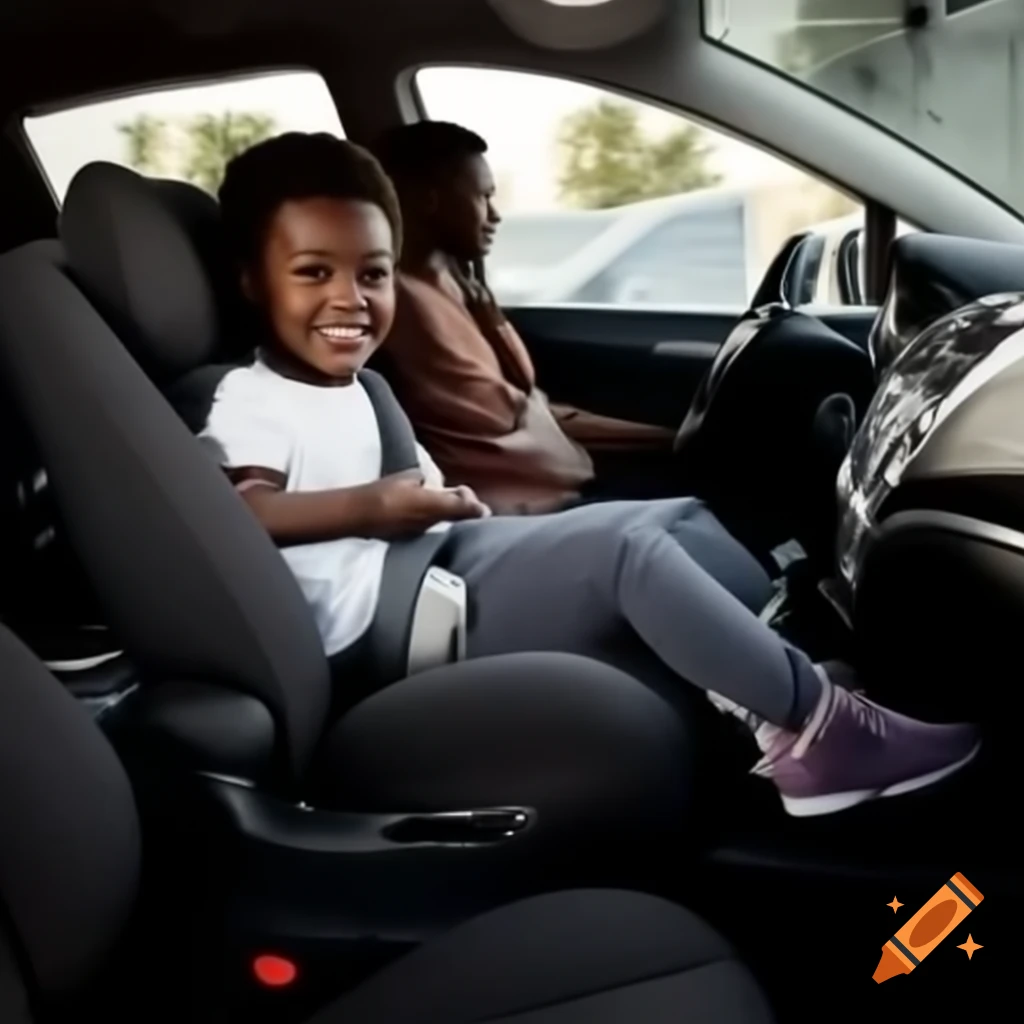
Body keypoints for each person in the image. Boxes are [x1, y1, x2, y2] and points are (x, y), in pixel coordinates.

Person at [200, 132, 980, 819]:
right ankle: (823, 745)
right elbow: (243, 513)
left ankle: (784, 677)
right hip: (393, 622)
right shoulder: (246, 399)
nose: (350, 298)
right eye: (313, 273)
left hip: (435, 564)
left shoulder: (364, 389)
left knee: (673, 518)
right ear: (250, 283)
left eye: (371, 275)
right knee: (629, 556)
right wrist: (377, 506)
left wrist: (440, 504)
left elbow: (422, 495)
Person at [371, 120, 675, 515]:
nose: (495, 215)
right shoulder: (401, 305)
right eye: (483, 197)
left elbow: (531, 404)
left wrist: (673, 438)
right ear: (429, 200)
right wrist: (675, 440)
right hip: (529, 512)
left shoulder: (457, 283)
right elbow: (510, 415)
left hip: (569, 486)